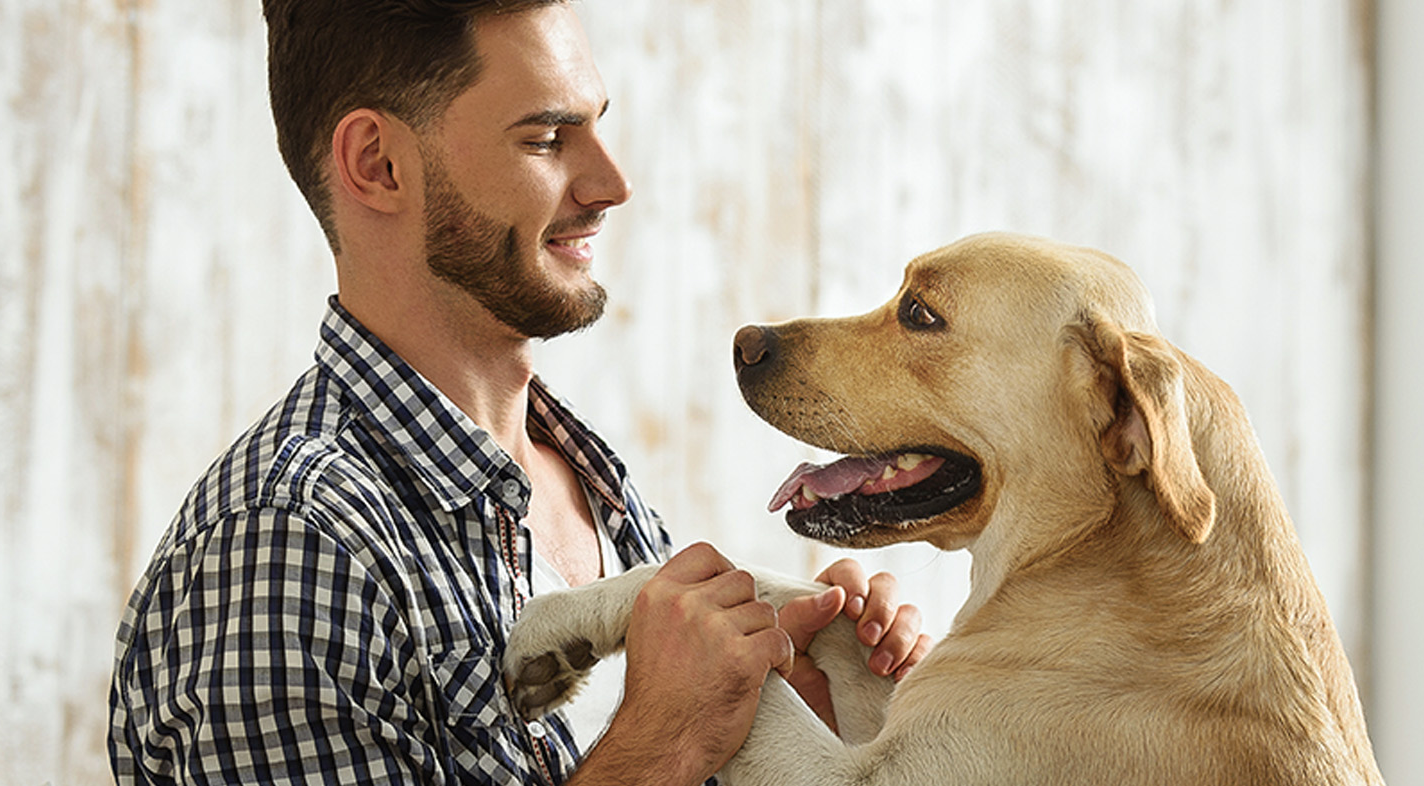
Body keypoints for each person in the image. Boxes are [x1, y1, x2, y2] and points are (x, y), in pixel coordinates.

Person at [107, 2, 931, 784]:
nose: (611, 183)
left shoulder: (588, 483)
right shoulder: (286, 548)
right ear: (377, 165)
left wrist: (800, 711)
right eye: (545, 137)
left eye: (597, 124)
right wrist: (660, 745)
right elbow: (658, 747)